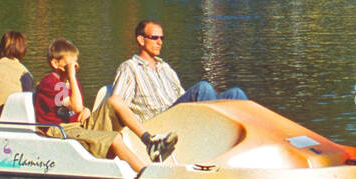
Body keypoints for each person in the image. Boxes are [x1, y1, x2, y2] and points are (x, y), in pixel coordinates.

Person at [34, 40, 175, 170]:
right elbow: (75, 106)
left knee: (115, 101)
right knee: (114, 138)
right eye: (70, 63)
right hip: (59, 131)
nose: (75, 67)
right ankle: (145, 174)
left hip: (77, 126)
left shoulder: (70, 82)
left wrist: (86, 110)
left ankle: (149, 141)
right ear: (55, 63)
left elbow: (78, 108)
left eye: (75, 63)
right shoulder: (50, 83)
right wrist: (72, 77)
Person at [90, 20, 247, 133]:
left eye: (162, 38)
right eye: (154, 38)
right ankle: (219, 136)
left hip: (178, 115)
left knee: (236, 93)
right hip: (157, 123)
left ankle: (247, 136)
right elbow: (118, 107)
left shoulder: (166, 68)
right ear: (141, 40)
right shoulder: (129, 68)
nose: (160, 42)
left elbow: (182, 96)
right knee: (203, 88)